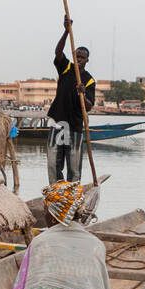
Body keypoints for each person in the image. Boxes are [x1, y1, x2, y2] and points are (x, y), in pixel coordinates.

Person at [47, 14, 96, 184]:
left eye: (82, 57)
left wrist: (82, 93)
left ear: (87, 60)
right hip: (58, 122)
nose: (78, 59)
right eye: (76, 56)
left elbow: (89, 107)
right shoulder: (67, 67)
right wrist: (66, 31)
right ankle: (56, 192)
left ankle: (72, 194)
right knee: (54, 163)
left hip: (74, 126)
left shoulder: (89, 80)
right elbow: (58, 52)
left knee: (74, 168)